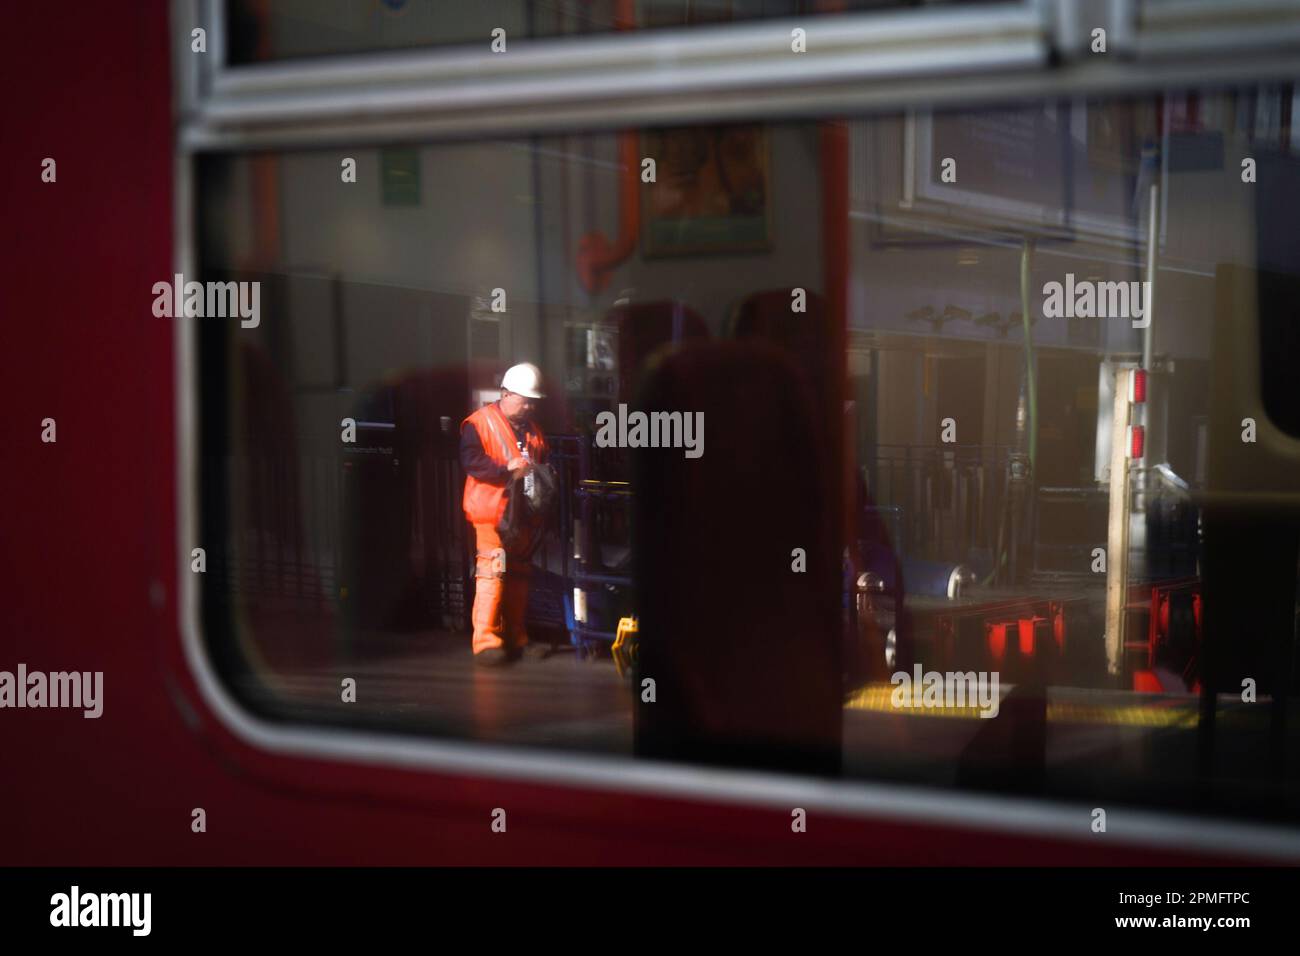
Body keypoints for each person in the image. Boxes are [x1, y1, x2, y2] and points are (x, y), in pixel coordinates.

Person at [460, 363, 550, 666]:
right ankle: (486, 641)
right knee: (492, 573)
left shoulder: (533, 430)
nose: (529, 406)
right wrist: (504, 469)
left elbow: (541, 462)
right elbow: (472, 462)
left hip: (522, 515)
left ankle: (516, 637)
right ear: (506, 394)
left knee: (519, 576)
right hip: (492, 512)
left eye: (532, 401)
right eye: (524, 399)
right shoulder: (479, 423)